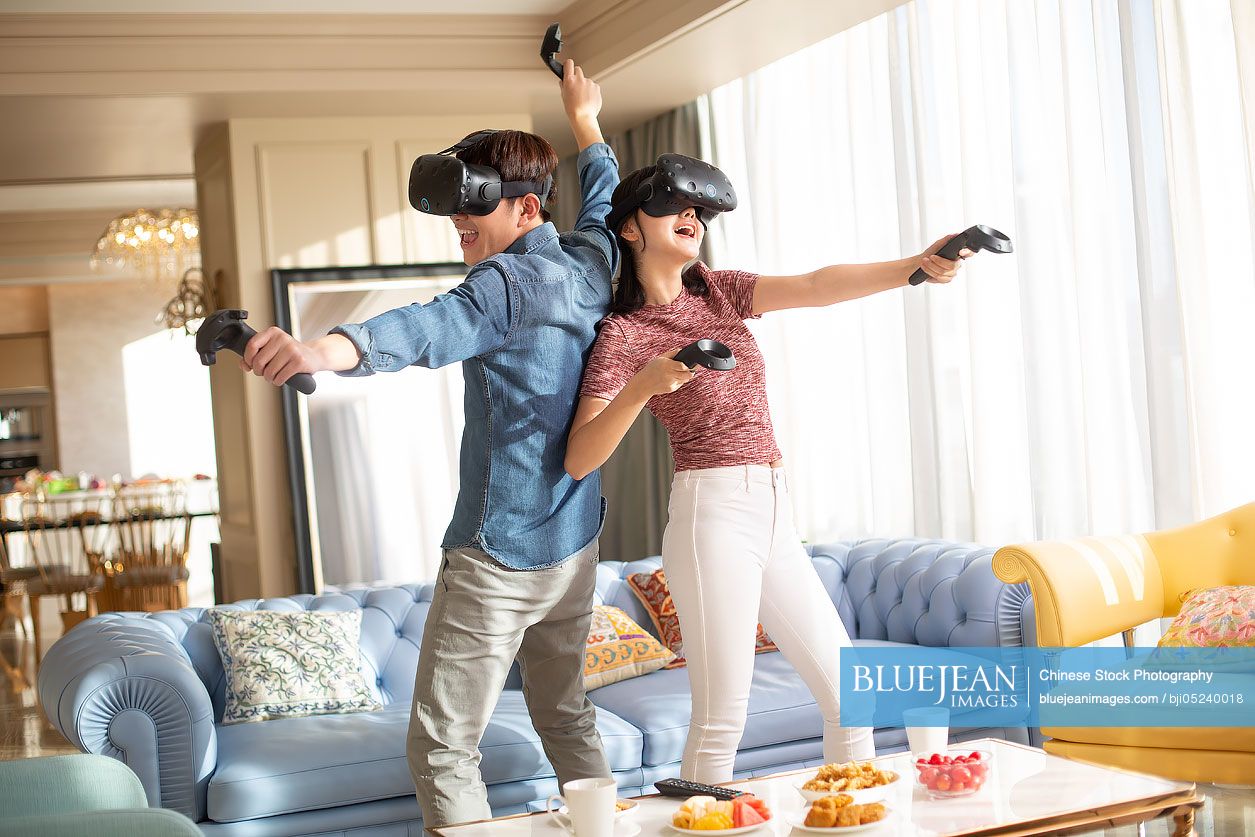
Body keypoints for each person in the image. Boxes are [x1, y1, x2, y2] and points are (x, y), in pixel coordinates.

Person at [239, 60, 619, 827]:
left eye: (473, 209)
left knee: (444, 746)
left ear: (524, 206)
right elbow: (605, 196)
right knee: (567, 716)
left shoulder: (503, 286)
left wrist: (322, 350)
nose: (459, 226)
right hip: (575, 544)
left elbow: (417, 329)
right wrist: (586, 119)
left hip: (500, 553)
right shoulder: (592, 262)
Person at [564, 161, 972, 784]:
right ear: (629, 230)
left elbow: (816, 284)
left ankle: (848, 822)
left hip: (775, 510)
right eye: (675, 208)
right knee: (723, 716)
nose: (691, 219)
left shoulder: (720, 292)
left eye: (698, 212)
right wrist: (644, 386)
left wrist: (912, 266)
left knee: (849, 699)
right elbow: (580, 456)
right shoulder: (624, 334)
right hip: (713, 515)